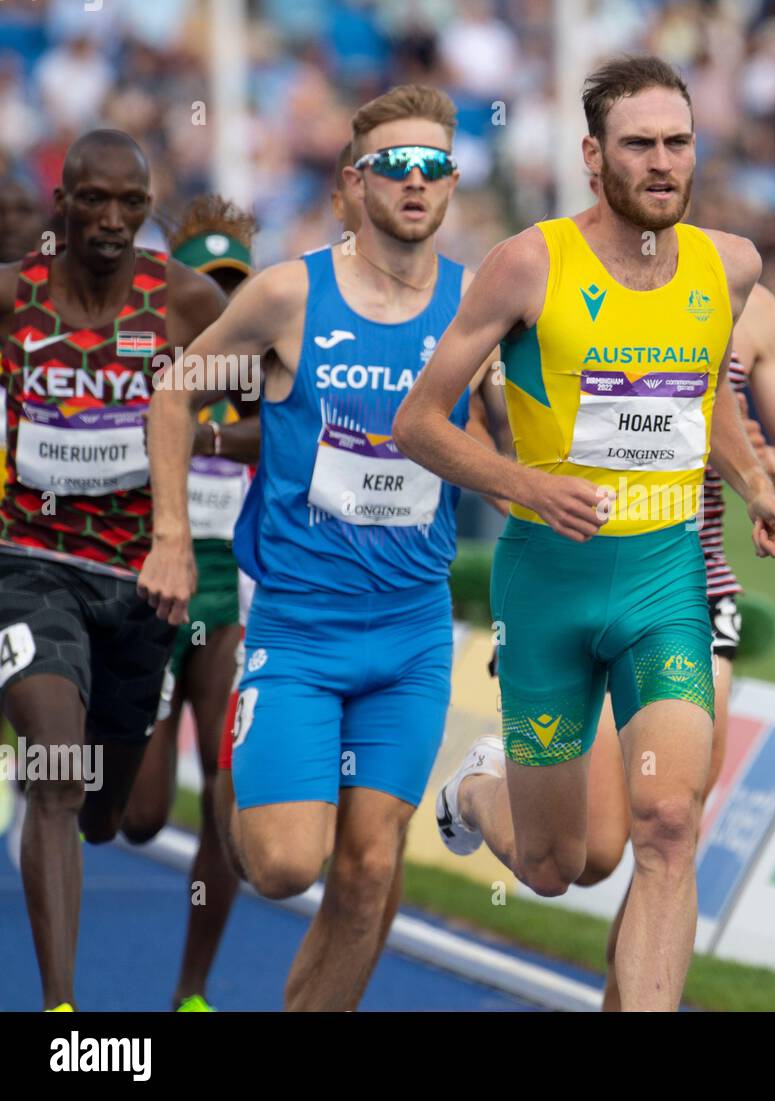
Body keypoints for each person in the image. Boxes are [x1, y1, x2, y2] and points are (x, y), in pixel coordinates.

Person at [393, 55, 775, 1011]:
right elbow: (417, 422)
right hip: (547, 581)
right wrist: (523, 482)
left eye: (678, 142)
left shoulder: (729, 264)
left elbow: (702, 397)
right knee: (554, 864)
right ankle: (474, 792)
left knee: (667, 824)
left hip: (666, 577)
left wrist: (751, 484)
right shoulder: (530, 263)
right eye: (639, 144)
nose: (662, 163)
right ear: (592, 155)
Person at [140, 85, 487, 1011]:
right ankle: (243, 771)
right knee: (285, 865)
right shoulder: (290, 295)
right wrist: (172, 534)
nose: (417, 184)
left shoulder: (476, 305)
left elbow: (512, 452)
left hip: (413, 635)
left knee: (371, 868)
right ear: (351, 183)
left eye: (435, 167)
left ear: (452, 184)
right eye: (395, 167)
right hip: (300, 628)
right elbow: (174, 392)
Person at [0, 130, 226, 1011]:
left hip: (142, 581)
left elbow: (269, 406)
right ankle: (63, 1016)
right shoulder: (13, 296)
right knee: (55, 771)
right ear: (63, 200)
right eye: (93, 200)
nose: (111, 220)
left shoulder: (187, 302)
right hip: (28, 564)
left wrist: (186, 434)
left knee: (111, 814)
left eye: (131, 205)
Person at [120, 195, 263, 1012]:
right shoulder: (143, 344)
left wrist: (199, 433)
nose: (222, 299)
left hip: (231, 581)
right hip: (149, 572)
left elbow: (280, 434)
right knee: (138, 817)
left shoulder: (258, 356)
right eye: (210, 283)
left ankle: (192, 992)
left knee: (225, 794)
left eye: (234, 285)